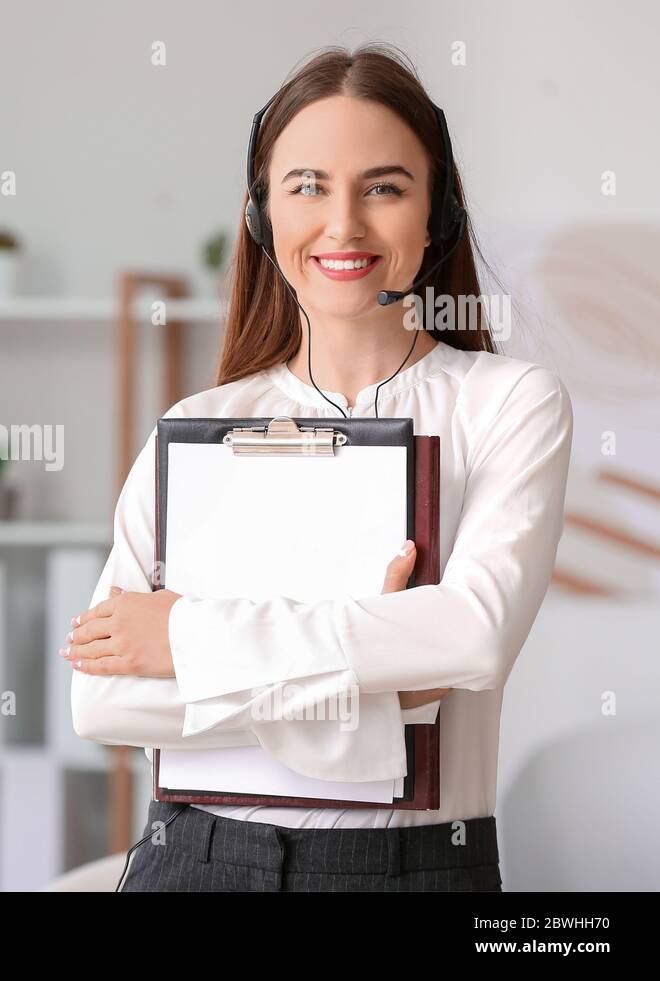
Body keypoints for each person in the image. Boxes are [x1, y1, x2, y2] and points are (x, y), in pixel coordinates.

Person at [65, 42, 573, 892]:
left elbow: (471, 637)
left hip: (409, 870)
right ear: (263, 216)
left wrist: (186, 635)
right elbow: (104, 702)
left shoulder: (510, 404)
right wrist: (379, 696)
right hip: (192, 860)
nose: (343, 225)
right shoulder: (196, 427)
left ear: (437, 212)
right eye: (308, 186)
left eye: (384, 187)